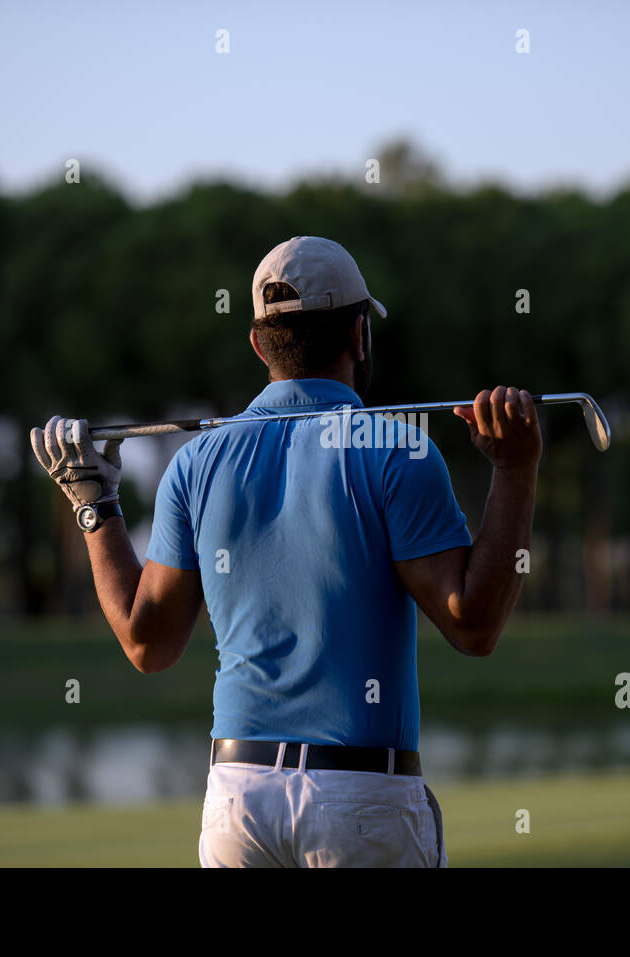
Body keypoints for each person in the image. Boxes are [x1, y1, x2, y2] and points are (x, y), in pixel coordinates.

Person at [31, 235, 542, 867]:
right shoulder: (398, 450)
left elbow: (148, 645)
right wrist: (515, 470)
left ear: (258, 343)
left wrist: (95, 507)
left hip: (238, 803)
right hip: (363, 795)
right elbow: (474, 625)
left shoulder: (194, 464)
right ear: (360, 334)